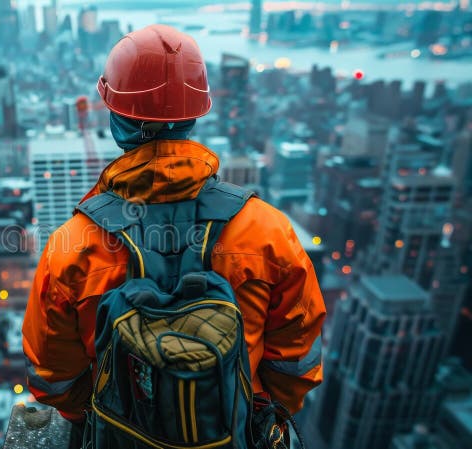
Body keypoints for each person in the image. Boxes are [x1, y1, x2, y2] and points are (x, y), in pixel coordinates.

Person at [22, 24, 325, 428]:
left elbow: (53, 379)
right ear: (195, 115)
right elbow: (298, 363)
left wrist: (109, 421)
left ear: (117, 117)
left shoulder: (72, 246)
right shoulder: (268, 231)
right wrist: (242, 414)